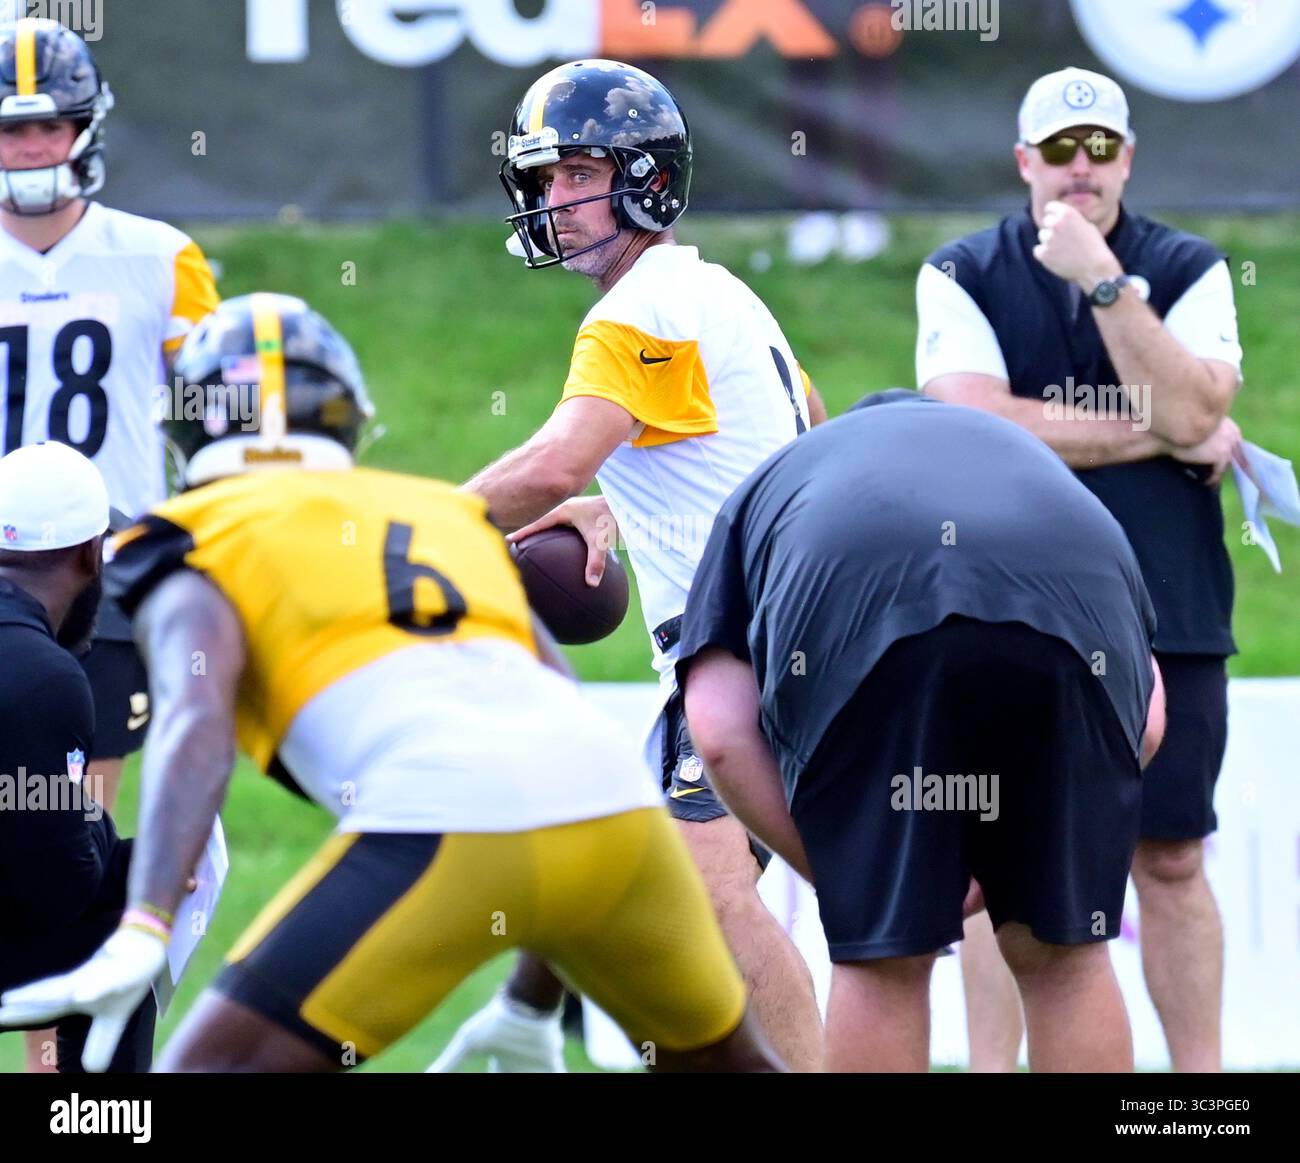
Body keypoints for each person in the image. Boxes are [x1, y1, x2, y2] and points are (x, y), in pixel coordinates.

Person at [0, 293, 783, 1074]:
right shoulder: (442, 515)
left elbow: (193, 724)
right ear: (345, 416)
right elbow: (557, 727)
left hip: (443, 818)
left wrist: (145, 920)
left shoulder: (195, 532)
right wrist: (530, 998)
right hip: (618, 817)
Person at [436, 58, 827, 1073]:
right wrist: (628, 503)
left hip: (746, 650)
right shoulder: (713, 290)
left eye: (575, 174)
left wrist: (416, 526)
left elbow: (549, 458)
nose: (554, 201)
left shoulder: (634, 312)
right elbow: (797, 437)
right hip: (788, 634)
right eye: (546, 179)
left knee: (703, 892)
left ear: (645, 176)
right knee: (675, 914)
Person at [676, 390, 1167, 1072]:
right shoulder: (1042, 469)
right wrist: (1031, 863)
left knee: (886, 953)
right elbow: (1146, 718)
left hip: (866, 626)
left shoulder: (776, 480)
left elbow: (718, 728)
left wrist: (837, 871)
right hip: (1071, 619)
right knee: (1066, 955)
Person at [916, 66, 1241, 1073]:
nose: (1079, 168)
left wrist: (1103, 280)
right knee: (988, 861)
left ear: (1127, 158)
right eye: (1058, 150)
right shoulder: (960, 270)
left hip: (1169, 602)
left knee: (1172, 855)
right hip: (1006, 603)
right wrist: (1161, 427)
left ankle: (1199, 1093)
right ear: (1024, 162)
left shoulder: (1187, 266)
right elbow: (974, 419)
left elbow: (1197, 410)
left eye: (1099, 148)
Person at [0, 17, 221, 815]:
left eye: (47, 125)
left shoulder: (161, 256)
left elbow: (218, 421)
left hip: (105, 563)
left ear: (84, 126)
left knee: (76, 819)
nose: (29, 147)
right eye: (11, 128)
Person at [0, 441, 154, 1073]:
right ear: (93, 555)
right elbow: (58, 883)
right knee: (120, 941)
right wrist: (136, 870)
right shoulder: (47, 678)